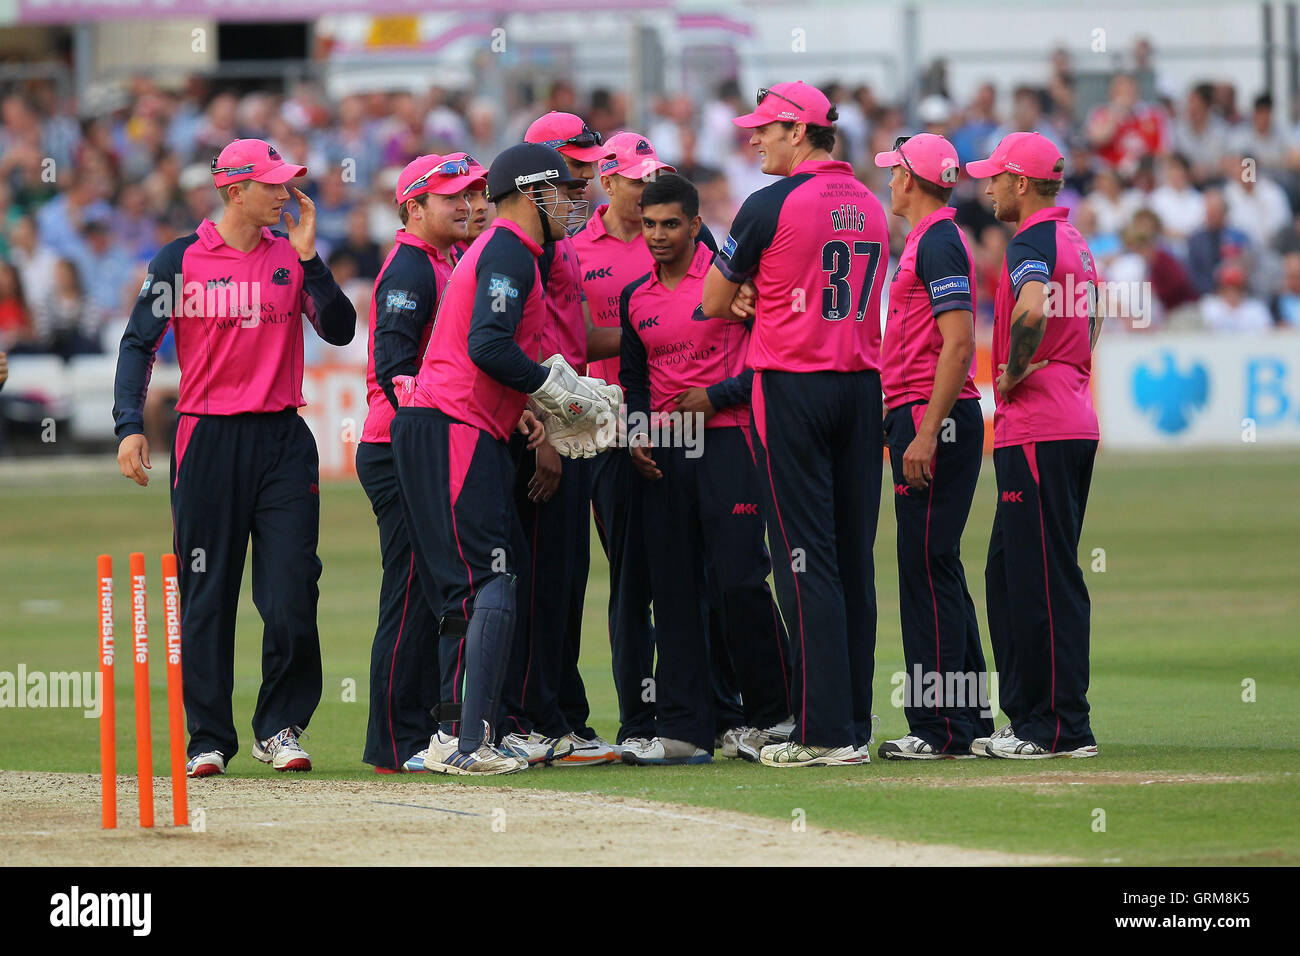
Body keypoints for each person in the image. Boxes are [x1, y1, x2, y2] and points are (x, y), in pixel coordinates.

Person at [113, 138, 357, 777]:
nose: (284, 194)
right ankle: (208, 739)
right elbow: (139, 344)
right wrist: (129, 426)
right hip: (206, 441)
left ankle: (280, 727)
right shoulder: (179, 260)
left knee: (291, 594)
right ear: (234, 191)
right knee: (207, 593)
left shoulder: (291, 256)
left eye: (285, 183)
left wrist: (312, 262)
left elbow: (340, 329)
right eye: (272, 185)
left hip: (281, 441)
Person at [389, 142, 618, 776]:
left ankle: (454, 734)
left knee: (474, 586)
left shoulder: (514, 252)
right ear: (529, 191)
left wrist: (543, 403)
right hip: (452, 426)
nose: (576, 202)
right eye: (564, 191)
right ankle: (469, 742)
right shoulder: (511, 251)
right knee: (486, 583)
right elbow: (487, 346)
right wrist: (557, 392)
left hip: (459, 426)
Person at [701, 81, 891, 767]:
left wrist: (754, 297)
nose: (754, 139)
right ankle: (851, 722)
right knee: (850, 562)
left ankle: (822, 732)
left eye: (764, 130)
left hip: (792, 388)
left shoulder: (770, 203)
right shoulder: (870, 202)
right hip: (861, 390)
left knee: (802, 560)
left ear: (797, 131)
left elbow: (713, 297)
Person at [618, 174, 792, 765]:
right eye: (649, 225)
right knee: (672, 590)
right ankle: (686, 732)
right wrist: (638, 430)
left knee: (740, 581)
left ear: (696, 224)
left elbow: (769, 357)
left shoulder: (731, 282)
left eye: (671, 224)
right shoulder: (635, 296)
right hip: (666, 451)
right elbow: (634, 378)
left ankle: (775, 716)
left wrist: (716, 395)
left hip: (729, 440)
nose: (659, 236)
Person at [965, 131, 1102, 759]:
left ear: (1021, 182)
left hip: (1040, 427)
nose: (987, 186)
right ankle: (1027, 718)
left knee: (1043, 577)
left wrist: (1016, 370)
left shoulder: (1030, 240)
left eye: (995, 176)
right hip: (1070, 418)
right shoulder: (1073, 238)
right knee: (1009, 572)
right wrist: (1068, 368)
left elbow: (1030, 310)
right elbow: (1092, 318)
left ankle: (1057, 728)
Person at [357, 154, 486, 774]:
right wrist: (434, 428)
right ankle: (395, 742)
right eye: (450, 197)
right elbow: (394, 365)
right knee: (410, 594)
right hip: (399, 445)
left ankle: (421, 733)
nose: (464, 206)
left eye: (468, 196)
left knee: (432, 592)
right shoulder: (411, 266)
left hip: (416, 441)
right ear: (413, 207)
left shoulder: (444, 259)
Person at [872, 133, 994, 758]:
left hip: (932, 417)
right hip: (927, 413)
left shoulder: (938, 240)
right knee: (937, 563)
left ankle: (939, 728)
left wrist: (923, 430)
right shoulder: (934, 238)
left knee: (924, 567)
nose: (889, 182)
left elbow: (958, 343)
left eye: (895, 173)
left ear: (913, 182)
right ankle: (969, 719)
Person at [507, 112, 621, 765]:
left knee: (568, 577)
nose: (587, 187)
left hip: (570, 416)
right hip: (541, 426)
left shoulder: (560, 239)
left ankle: (558, 715)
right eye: (574, 173)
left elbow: (574, 339)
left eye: (590, 171)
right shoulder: (528, 244)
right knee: (540, 577)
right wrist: (546, 429)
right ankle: (530, 719)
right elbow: (516, 347)